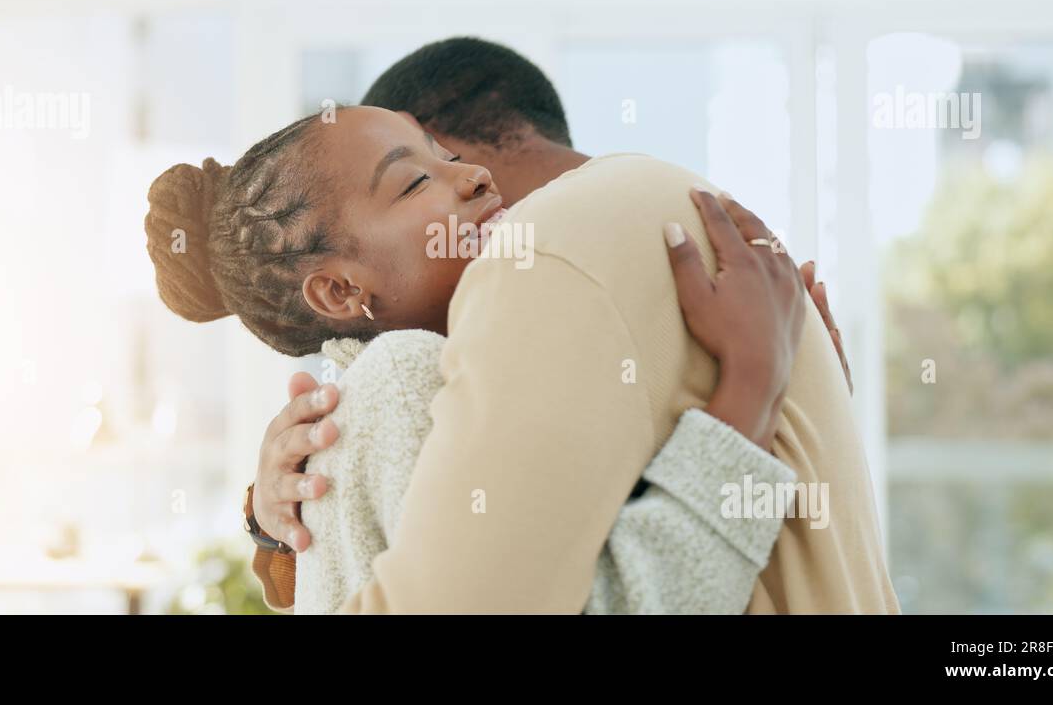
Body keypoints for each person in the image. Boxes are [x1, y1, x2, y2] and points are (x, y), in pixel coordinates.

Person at [199, 38, 893, 612]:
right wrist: (752, 389)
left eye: (444, 155)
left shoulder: (542, 283)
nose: (470, 179)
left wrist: (792, 398)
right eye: (414, 179)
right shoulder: (414, 370)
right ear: (343, 286)